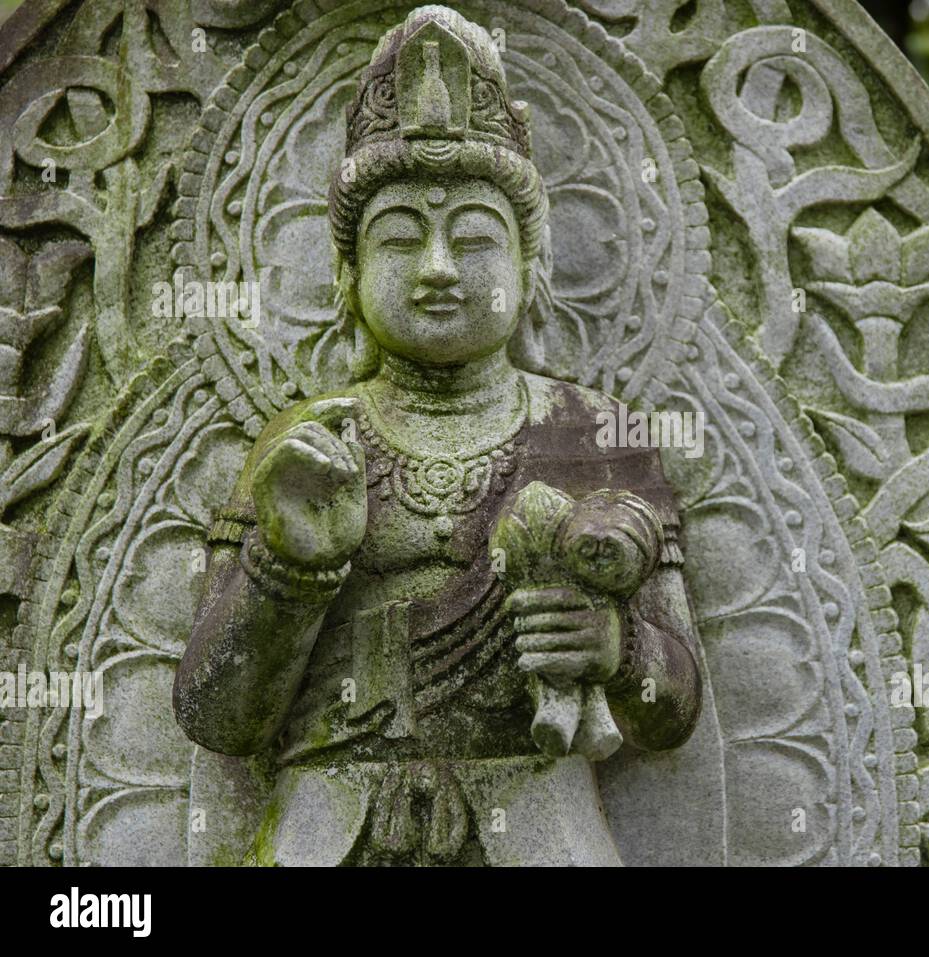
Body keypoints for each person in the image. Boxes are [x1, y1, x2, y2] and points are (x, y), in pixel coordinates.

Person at [173, 5, 701, 866]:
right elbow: (217, 715)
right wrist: (292, 573)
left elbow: (674, 706)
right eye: (400, 238)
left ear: (532, 269)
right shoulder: (306, 446)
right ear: (346, 274)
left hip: (538, 824)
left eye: (476, 239)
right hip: (327, 826)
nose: (439, 268)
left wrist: (617, 645)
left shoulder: (597, 438)